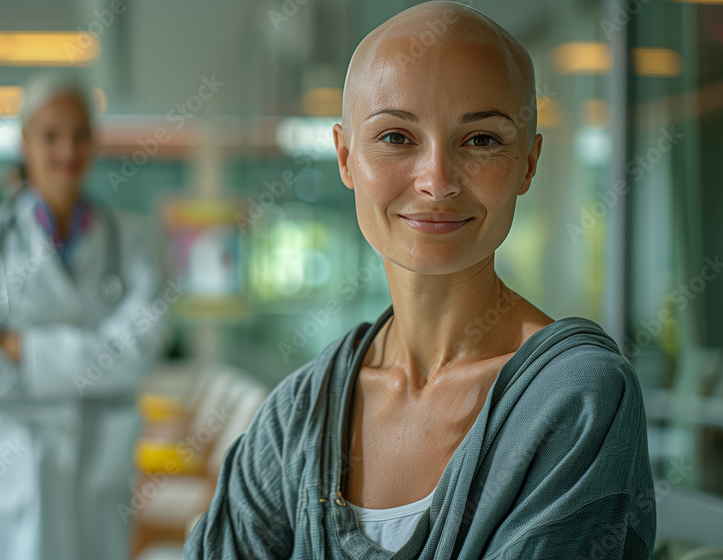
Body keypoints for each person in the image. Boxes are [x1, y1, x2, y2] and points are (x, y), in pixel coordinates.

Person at [182, 2, 656, 559]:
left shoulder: (574, 398)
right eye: (396, 137)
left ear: (529, 161)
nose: (437, 180)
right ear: (344, 156)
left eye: (481, 140)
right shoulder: (298, 414)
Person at [0, 70, 169, 560]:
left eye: (80, 135)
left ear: (94, 142)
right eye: (50, 136)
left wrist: (25, 350)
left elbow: (142, 351)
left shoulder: (131, 240)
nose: (67, 151)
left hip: (97, 474)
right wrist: (95, 365)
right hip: (12, 472)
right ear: (25, 141)